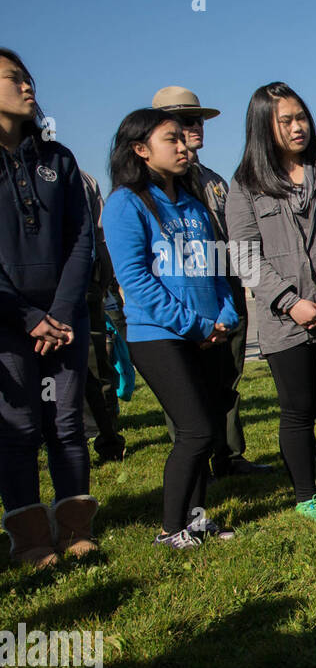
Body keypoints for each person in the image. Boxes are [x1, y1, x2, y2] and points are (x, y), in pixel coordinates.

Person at [101, 108, 242, 547]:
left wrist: (226, 315)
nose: (184, 147)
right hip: (159, 336)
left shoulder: (194, 204)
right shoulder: (125, 203)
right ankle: (170, 529)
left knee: (207, 429)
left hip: (207, 332)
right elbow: (136, 282)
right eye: (171, 140)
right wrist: (195, 326)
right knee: (196, 430)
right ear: (140, 150)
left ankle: (197, 521)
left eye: (184, 139)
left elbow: (217, 267)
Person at [226, 83, 316, 520]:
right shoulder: (245, 186)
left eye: (301, 116)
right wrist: (289, 302)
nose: (297, 126)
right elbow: (245, 258)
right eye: (285, 120)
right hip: (285, 321)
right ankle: (306, 495)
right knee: (297, 410)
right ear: (263, 127)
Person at [0, 48, 96, 567]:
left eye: (27, 77)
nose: (27, 86)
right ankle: (30, 538)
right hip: (7, 322)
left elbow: (82, 238)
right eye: (13, 79)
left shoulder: (58, 159)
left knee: (65, 423)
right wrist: (27, 317)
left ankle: (76, 526)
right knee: (17, 428)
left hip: (66, 317)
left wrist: (59, 310)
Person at [152, 85, 270, 478]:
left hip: (228, 288)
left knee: (226, 377)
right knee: (186, 382)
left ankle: (229, 456)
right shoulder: (154, 185)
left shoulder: (216, 179)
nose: (196, 125)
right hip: (183, 291)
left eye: (198, 118)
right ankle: (193, 459)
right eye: (185, 120)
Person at [80, 169, 128, 462]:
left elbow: (100, 237)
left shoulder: (81, 178)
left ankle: (107, 440)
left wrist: (101, 282)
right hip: (21, 291)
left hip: (84, 286)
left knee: (97, 368)